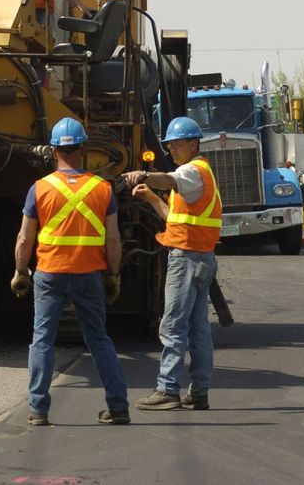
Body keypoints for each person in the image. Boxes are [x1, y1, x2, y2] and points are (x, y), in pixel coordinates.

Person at [11, 117, 130, 427]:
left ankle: (38, 410)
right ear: (84, 149)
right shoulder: (103, 189)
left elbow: (25, 238)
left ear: (53, 151)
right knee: (99, 340)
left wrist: (20, 272)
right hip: (89, 275)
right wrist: (113, 275)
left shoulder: (39, 189)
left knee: (42, 341)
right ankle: (118, 407)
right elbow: (113, 239)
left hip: (49, 274)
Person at [122, 116, 222, 412]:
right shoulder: (201, 174)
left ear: (194, 144)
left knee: (173, 325)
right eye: (169, 145)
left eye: (177, 144)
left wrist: (143, 175)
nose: (172, 150)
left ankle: (167, 389)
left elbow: (169, 179)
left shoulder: (191, 171)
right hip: (201, 258)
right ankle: (199, 390)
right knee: (197, 328)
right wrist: (153, 199)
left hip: (186, 258)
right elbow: (175, 218)